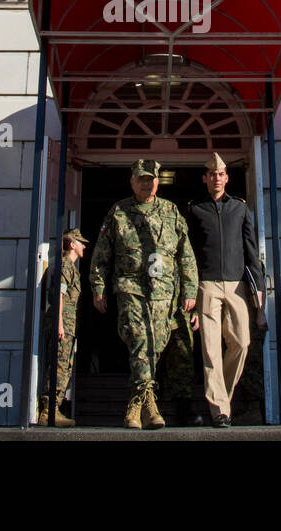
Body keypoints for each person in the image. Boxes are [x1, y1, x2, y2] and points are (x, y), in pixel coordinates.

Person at [90, 158, 198, 429]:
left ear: (157, 181)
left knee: (155, 345)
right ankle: (146, 403)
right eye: (141, 178)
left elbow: (186, 256)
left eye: (151, 179)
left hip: (164, 293)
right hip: (131, 288)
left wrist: (190, 290)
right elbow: (101, 255)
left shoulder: (171, 212)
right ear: (132, 181)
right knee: (139, 340)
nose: (146, 183)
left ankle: (139, 402)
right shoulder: (119, 211)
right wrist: (98, 287)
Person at [184, 152, 266, 427]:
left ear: (227, 178)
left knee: (241, 343)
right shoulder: (195, 209)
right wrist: (192, 296)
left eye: (221, 174)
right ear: (205, 178)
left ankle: (223, 398)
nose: (216, 178)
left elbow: (251, 254)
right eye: (212, 175)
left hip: (236, 286)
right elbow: (189, 255)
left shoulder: (240, 209)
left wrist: (259, 303)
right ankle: (220, 409)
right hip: (206, 285)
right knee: (210, 351)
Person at [39, 228, 87, 427]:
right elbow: (58, 295)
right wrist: (59, 324)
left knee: (64, 365)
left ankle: (54, 408)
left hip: (68, 324)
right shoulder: (64, 266)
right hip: (62, 324)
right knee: (58, 365)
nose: (84, 246)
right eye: (81, 243)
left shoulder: (72, 268)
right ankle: (48, 411)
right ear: (72, 244)